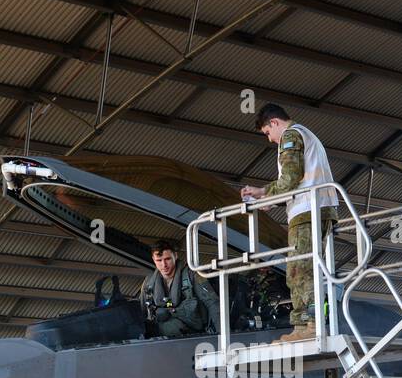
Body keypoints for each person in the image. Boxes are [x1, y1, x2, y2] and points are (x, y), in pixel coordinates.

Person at [239, 104, 338, 344]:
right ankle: (309, 323)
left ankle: (308, 325)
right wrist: (270, 197)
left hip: (308, 211)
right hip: (317, 207)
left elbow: (291, 177)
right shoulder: (306, 134)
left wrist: (265, 194)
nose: (271, 140)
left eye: (267, 133)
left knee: (299, 270)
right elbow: (297, 182)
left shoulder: (291, 136)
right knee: (307, 268)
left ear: (274, 123)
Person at [142, 239, 218, 338]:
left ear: (176, 256)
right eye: (159, 260)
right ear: (153, 259)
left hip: (193, 335)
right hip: (162, 338)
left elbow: (212, 302)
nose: (164, 265)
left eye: (168, 259)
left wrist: (221, 335)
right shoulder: (149, 283)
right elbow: (140, 312)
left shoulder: (192, 276)